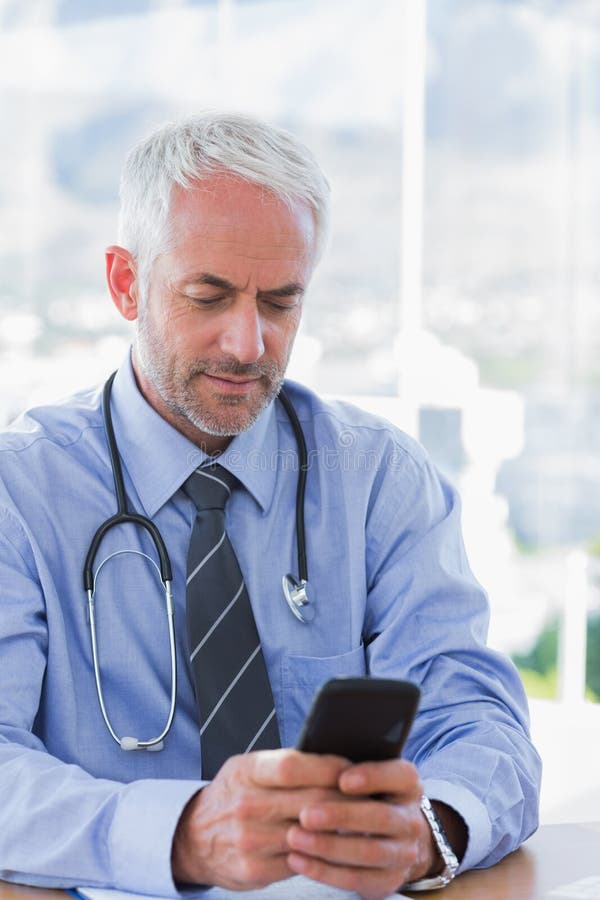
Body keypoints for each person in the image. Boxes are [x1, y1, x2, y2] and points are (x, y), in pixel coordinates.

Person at [0, 113, 540, 899]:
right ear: (125, 283)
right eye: (208, 295)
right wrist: (184, 838)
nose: (248, 343)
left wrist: (429, 832)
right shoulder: (20, 491)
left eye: (281, 303)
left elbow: (481, 724)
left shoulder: (377, 480)